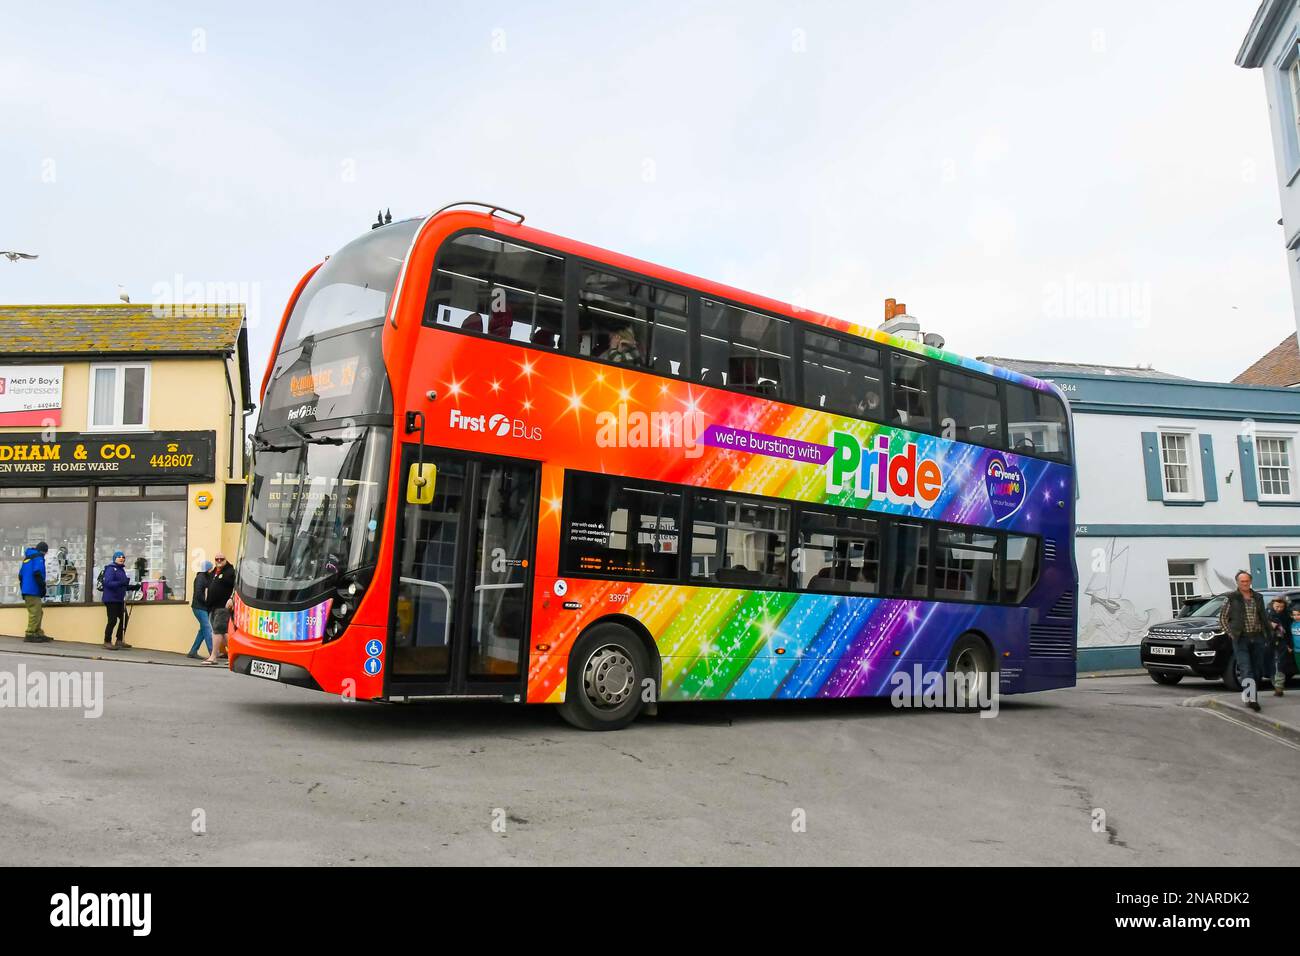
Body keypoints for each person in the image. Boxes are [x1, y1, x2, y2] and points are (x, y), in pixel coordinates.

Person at [1219, 570, 1269, 711]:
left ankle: (1249, 694)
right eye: (1242, 581)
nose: (1245, 583)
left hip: (1258, 637)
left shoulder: (1258, 597)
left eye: (1247, 581)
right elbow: (1223, 619)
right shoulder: (1231, 598)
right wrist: (1231, 634)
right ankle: (1251, 698)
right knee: (1246, 668)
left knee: (1257, 669)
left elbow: (1263, 617)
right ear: (1237, 582)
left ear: (1250, 581)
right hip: (1241, 638)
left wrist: (1267, 634)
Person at [99, 550, 139, 650]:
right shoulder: (111, 569)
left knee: (124, 618)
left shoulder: (121, 570)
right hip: (111, 599)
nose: (121, 558)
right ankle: (107, 641)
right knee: (112, 620)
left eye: (123, 557)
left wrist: (132, 587)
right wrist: (122, 583)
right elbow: (108, 583)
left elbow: (122, 585)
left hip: (119, 599)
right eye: (119, 556)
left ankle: (119, 640)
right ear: (114, 559)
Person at [18, 541, 50, 643]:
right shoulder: (38, 558)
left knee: (38, 611)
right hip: (33, 590)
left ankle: (38, 632)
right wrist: (42, 588)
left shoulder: (27, 559)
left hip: (27, 590)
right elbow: (38, 573)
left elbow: (20, 575)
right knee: (35, 612)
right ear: (44, 551)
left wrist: (23, 590)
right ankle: (30, 633)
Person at [1266, 596, 1291, 697]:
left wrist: (1289, 645)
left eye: (1281, 607)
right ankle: (1275, 685)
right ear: (1272, 605)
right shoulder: (1266, 614)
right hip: (1269, 642)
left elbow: (1288, 632)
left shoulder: (1286, 616)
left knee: (1280, 664)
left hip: (1282, 643)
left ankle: (1279, 687)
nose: (1279, 609)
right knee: (1271, 664)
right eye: (1277, 606)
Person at [188, 560, 213, 659]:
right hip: (199, 607)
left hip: (200, 607)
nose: (212, 570)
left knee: (203, 630)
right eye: (210, 568)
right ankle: (212, 652)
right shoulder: (200, 578)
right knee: (207, 628)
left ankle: (193, 651)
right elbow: (198, 594)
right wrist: (206, 603)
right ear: (207, 569)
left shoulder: (204, 577)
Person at [203, 597, 233, 666]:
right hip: (214, 608)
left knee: (217, 631)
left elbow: (235, 587)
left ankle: (213, 656)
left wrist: (231, 598)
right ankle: (232, 656)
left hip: (222, 607)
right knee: (223, 633)